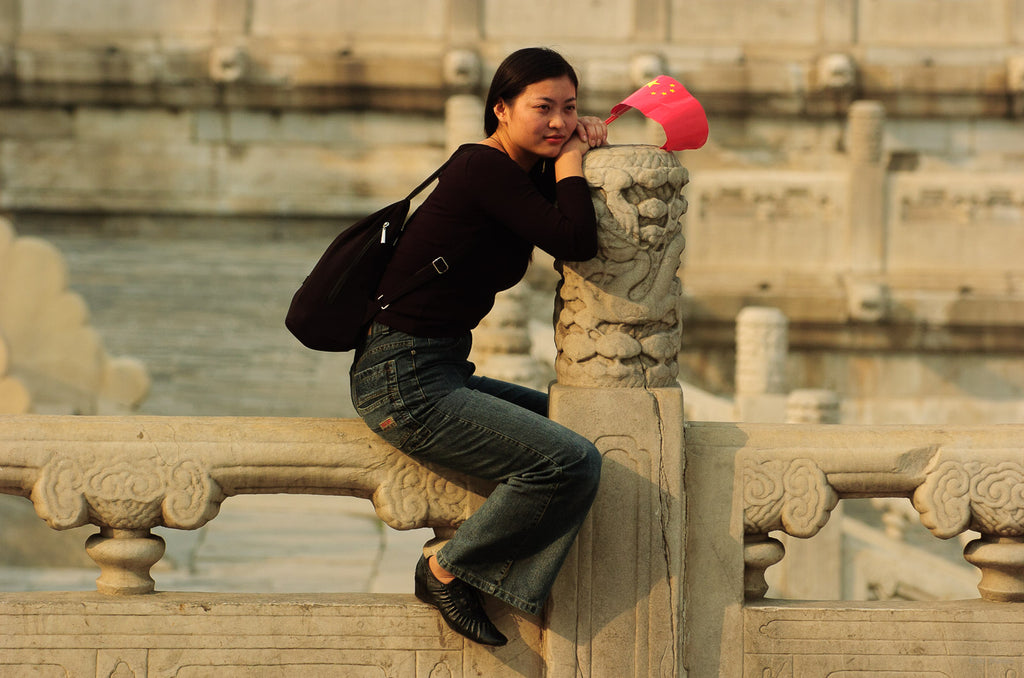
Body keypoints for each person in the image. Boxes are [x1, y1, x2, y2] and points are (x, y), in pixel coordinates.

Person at [349, 47, 607, 647]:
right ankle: (446, 569)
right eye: (543, 108)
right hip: (403, 382)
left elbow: (560, 213)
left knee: (580, 423)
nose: (559, 123)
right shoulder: (483, 170)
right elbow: (575, 238)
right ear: (501, 109)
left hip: (439, 369)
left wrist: (576, 153)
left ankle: (497, 580)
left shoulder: (513, 175)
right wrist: (572, 158)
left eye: (571, 109)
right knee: (570, 460)